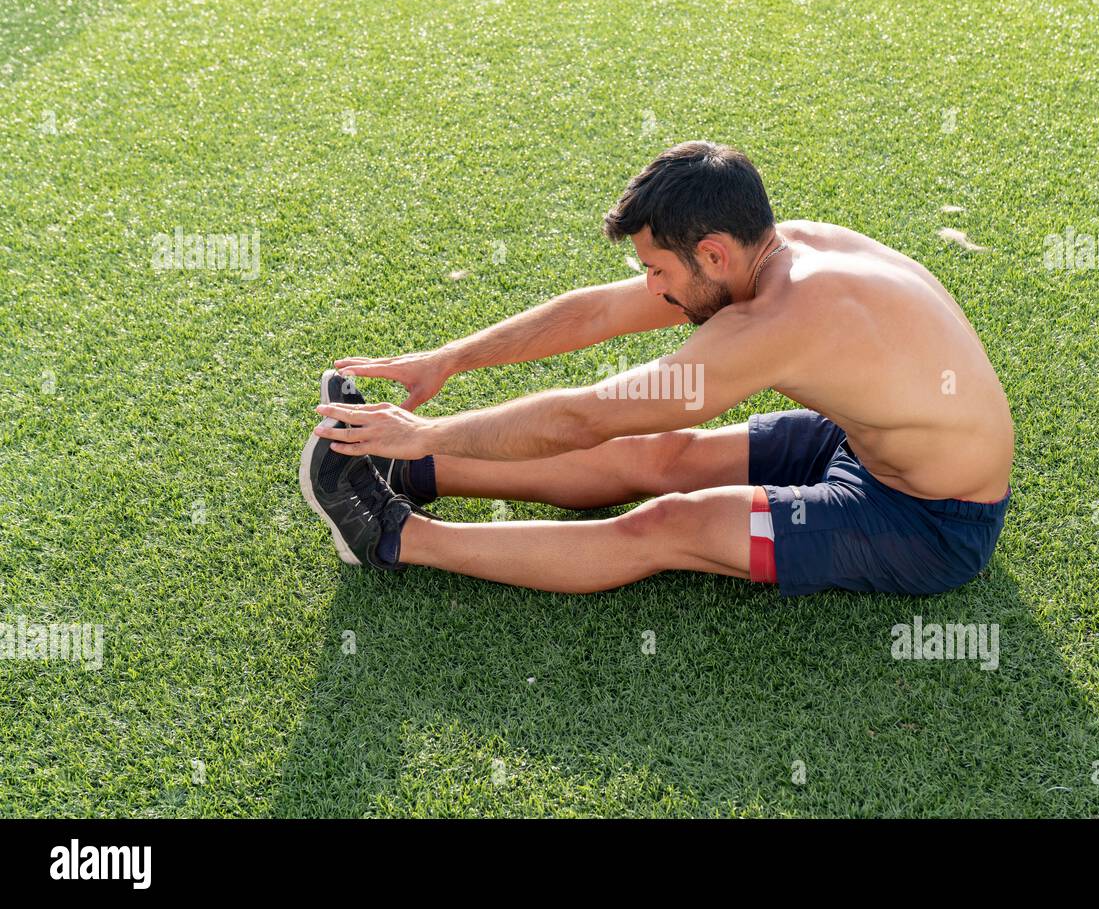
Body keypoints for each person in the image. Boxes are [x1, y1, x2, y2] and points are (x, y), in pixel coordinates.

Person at [299, 140, 1014, 596]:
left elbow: (585, 417)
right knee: (657, 454)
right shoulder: (774, 249)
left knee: (665, 526)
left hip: (931, 519)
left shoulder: (777, 323)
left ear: (710, 253)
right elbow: (596, 315)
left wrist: (426, 429)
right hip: (862, 440)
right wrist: (454, 358)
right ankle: (411, 474)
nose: (651, 289)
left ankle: (390, 535)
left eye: (656, 269)